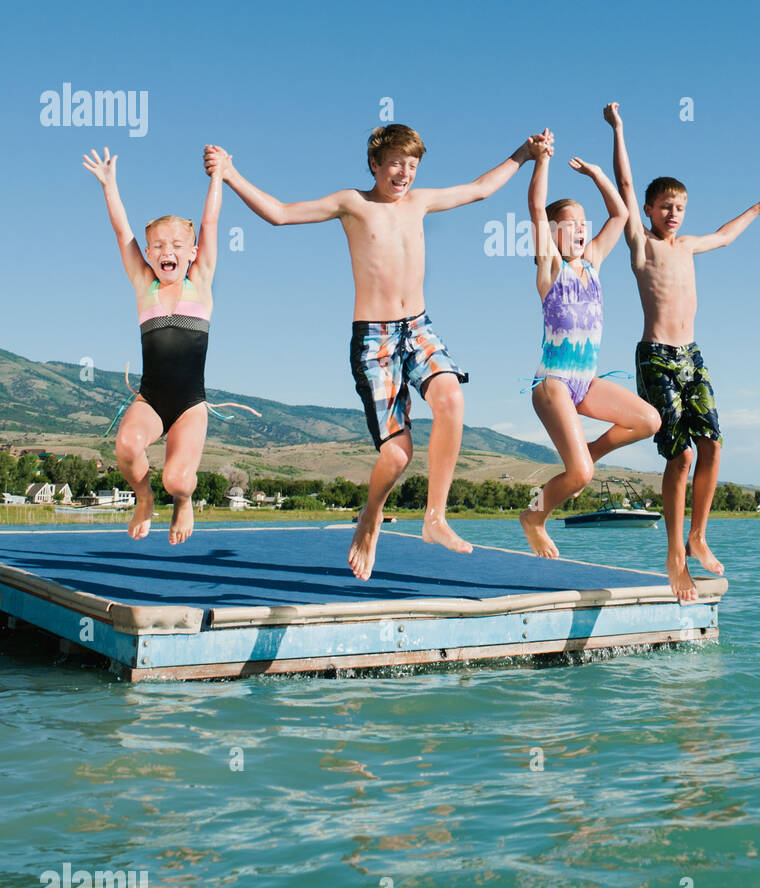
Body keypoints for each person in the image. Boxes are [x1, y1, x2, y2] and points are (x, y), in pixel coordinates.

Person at [203, 124, 547, 579]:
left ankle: (435, 518)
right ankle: (370, 517)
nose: (404, 174)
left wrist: (524, 153)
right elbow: (281, 214)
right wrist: (230, 173)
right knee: (398, 455)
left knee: (451, 398)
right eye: (396, 165)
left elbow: (481, 189)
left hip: (419, 326)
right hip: (375, 340)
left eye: (412, 166)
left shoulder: (420, 202)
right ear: (374, 165)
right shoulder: (353, 204)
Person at [605, 102, 760, 599]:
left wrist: (759, 206)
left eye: (679, 207)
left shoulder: (688, 246)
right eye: (664, 206)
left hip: (692, 357)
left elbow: (727, 237)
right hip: (657, 356)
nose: (672, 214)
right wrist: (619, 128)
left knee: (714, 444)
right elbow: (623, 185)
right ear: (648, 210)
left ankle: (698, 537)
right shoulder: (641, 245)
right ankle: (672, 555)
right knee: (680, 455)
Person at [521, 133, 660, 559]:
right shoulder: (551, 267)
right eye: (570, 223)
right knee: (579, 475)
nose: (581, 228)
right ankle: (534, 515)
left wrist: (599, 174)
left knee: (648, 421)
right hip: (554, 384)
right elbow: (535, 210)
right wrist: (542, 160)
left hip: (587, 383)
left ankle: (590, 454)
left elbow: (619, 215)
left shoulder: (594, 262)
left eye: (583, 222)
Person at [84, 146, 222, 544]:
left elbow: (210, 223)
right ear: (148, 253)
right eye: (158, 246)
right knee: (126, 445)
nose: (168, 252)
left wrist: (218, 177)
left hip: (190, 406)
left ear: (192, 252)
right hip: (151, 400)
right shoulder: (144, 285)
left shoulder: (201, 283)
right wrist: (110, 185)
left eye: (177, 245)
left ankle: (182, 501)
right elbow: (121, 232)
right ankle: (144, 498)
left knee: (179, 480)